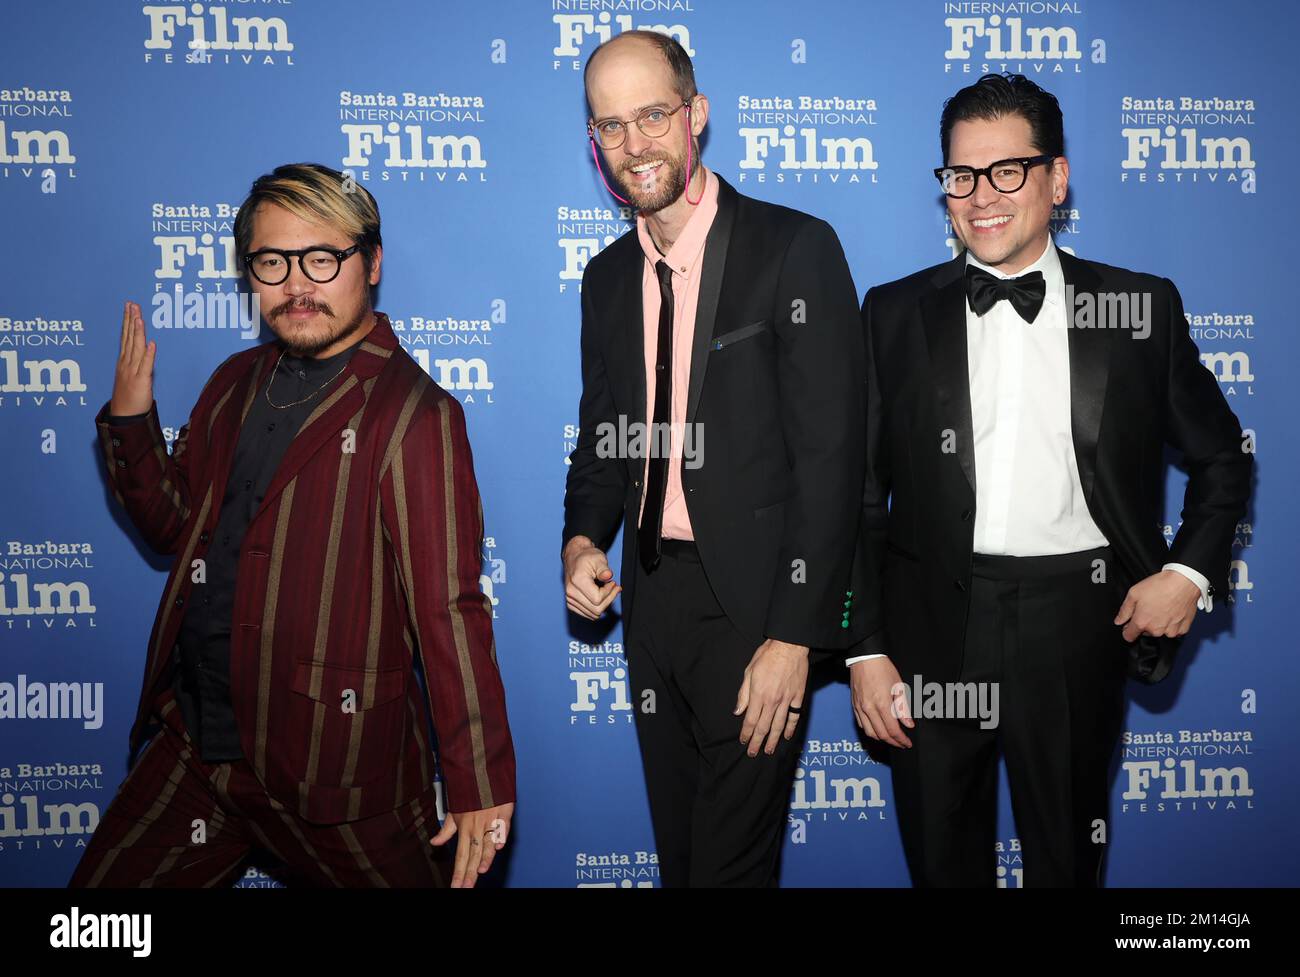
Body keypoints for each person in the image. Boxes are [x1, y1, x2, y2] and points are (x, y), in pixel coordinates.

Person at [845, 74, 1253, 886]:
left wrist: (1188, 569)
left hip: (1078, 626)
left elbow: (1223, 455)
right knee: (940, 862)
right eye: (961, 175)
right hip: (931, 632)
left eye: (1008, 171)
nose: (980, 196)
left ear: (1057, 179)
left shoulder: (1139, 308)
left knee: (1068, 860)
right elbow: (858, 493)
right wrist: (865, 647)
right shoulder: (893, 313)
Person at [71, 163, 515, 888]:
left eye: (322, 258)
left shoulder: (414, 413)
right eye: (272, 262)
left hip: (335, 777)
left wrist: (478, 779)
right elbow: (172, 531)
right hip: (200, 744)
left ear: (370, 262)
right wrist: (130, 420)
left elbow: (449, 610)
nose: (296, 283)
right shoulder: (232, 382)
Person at [562, 31, 865, 887]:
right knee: (685, 861)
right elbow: (600, 435)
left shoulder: (791, 247)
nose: (634, 145)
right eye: (610, 126)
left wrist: (794, 634)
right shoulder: (606, 276)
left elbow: (833, 458)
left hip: (757, 610)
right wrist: (584, 540)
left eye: (652, 115)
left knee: (729, 871)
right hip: (651, 604)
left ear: (696, 113)